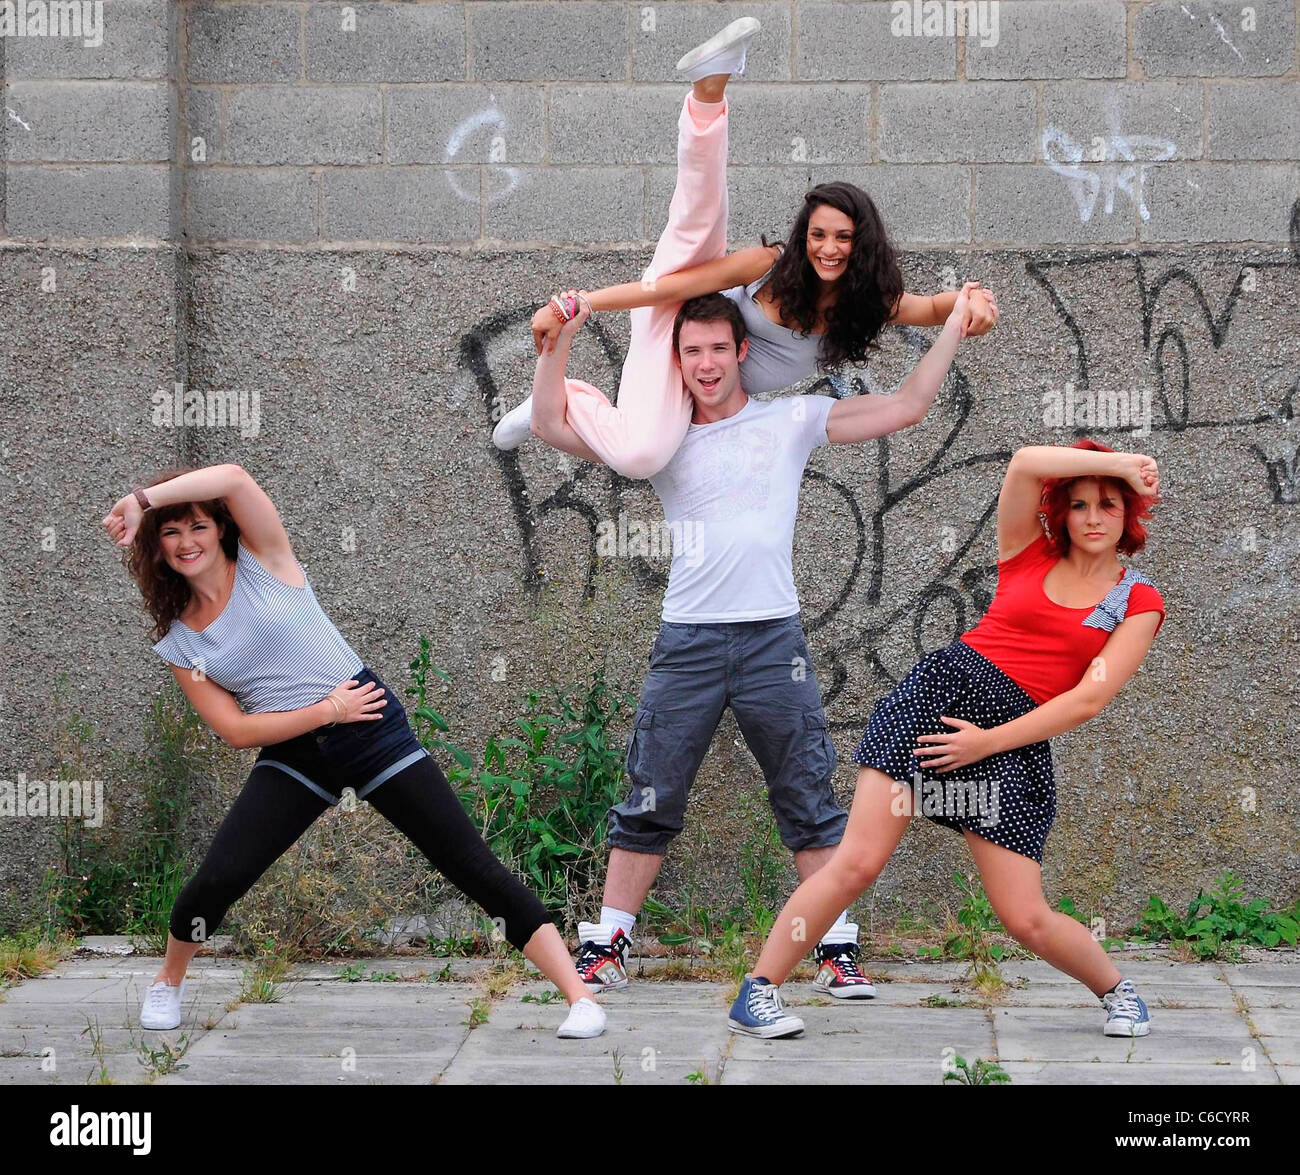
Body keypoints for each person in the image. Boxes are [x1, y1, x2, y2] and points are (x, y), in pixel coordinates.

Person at [533, 274, 980, 1008]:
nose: (705, 364)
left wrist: (955, 323)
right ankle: (609, 943)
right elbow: (552, 425)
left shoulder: (792, 419)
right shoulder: (659, 440)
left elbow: (907, 405)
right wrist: (558, 344)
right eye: (690, 352)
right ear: (674, 363)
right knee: (650, 792)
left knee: (806, 794)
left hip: (776, 639)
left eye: (716, 347)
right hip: (690, 641)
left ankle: (835, 949)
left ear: (741, 350)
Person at [101, 465, 606, 1039]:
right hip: (294, 744)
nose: (186, 543)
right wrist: (325, 713)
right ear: (156, 549)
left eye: (196, 526)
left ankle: (580, 997)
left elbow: (237, 480)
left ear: (219, 528)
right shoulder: (181, 638)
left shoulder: (267, 561)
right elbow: (236, 730)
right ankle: (168, 981)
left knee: (467, 862)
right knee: (220, 877)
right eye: (169, 534)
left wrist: (144, 499)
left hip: (368, 723)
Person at [727, 440, 1165, 1039]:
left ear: (1129, 516)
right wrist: (1117, 465)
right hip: (937, 700)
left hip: (1009, 739)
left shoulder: (1137, 600)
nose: (1092, 518)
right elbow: (1022, 465)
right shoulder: (1029, 552)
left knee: (1025, 916)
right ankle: (758, 992)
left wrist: (987, 744)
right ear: (1061, 512)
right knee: (855, 862)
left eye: (1109, 506)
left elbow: (1087, 698)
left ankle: (1119, 992)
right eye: (1080, 503)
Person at [493, 16, 998, 475]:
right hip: (675, 314)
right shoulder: (772, 268)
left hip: (697, 380)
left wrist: (972, 299)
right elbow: (674, 287)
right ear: (805, 235)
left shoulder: (865, 302)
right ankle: (708, 90)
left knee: (646, 456)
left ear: (861, 245)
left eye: (843, 238)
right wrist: (574, 305)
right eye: (818, 234)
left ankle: (556, 404)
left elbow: (934, 307)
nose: (828, 248)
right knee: (699, 217)